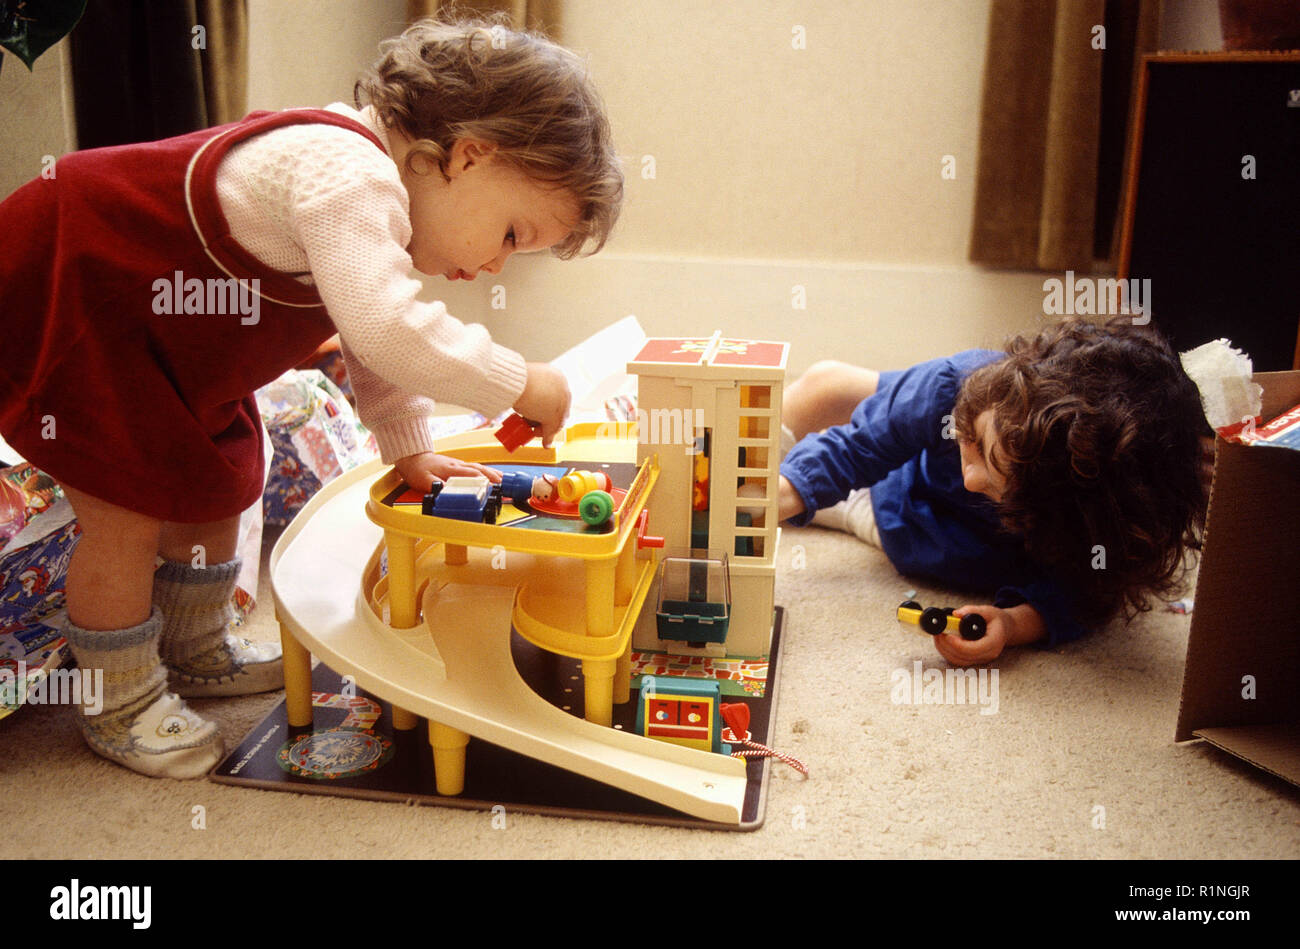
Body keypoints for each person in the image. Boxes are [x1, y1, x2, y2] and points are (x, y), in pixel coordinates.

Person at [0, 15, 622, 777]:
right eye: (511, 234)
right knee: (123, 508)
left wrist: (409, 445)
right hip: (86, 293)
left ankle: (195, 648)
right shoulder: (347, 170)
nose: (496, 266)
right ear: (469, 154)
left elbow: (368, 336)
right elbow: (388, 327)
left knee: (220, 476)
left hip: (173, 343)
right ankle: (119, 699)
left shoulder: (372, 201)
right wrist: (520, 379)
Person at [777, 317, 1209, 666]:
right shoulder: (963, 382)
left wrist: (1010, 624)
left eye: (999, 491)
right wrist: (780, 491)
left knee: (840, 471)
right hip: (910, 453)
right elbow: (858, 445)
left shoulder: (1091, 531)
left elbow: (1082, 601)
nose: (971, 482)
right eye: (978, 446)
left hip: (892, 516)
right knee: (825, 386)